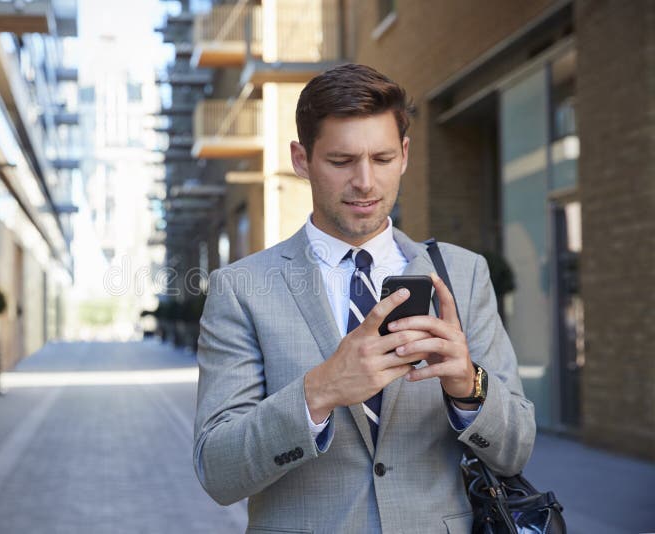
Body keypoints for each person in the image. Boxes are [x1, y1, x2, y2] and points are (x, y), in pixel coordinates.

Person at [193, 63, 535, 533]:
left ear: (405, 154)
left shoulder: (462, 274)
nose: (365, 182)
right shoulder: (241, 288)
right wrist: (320, 391)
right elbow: (218, 470)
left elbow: (517, 447)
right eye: (341, 161)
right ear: (301, 159)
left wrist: (468, 387)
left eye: (382, 158)